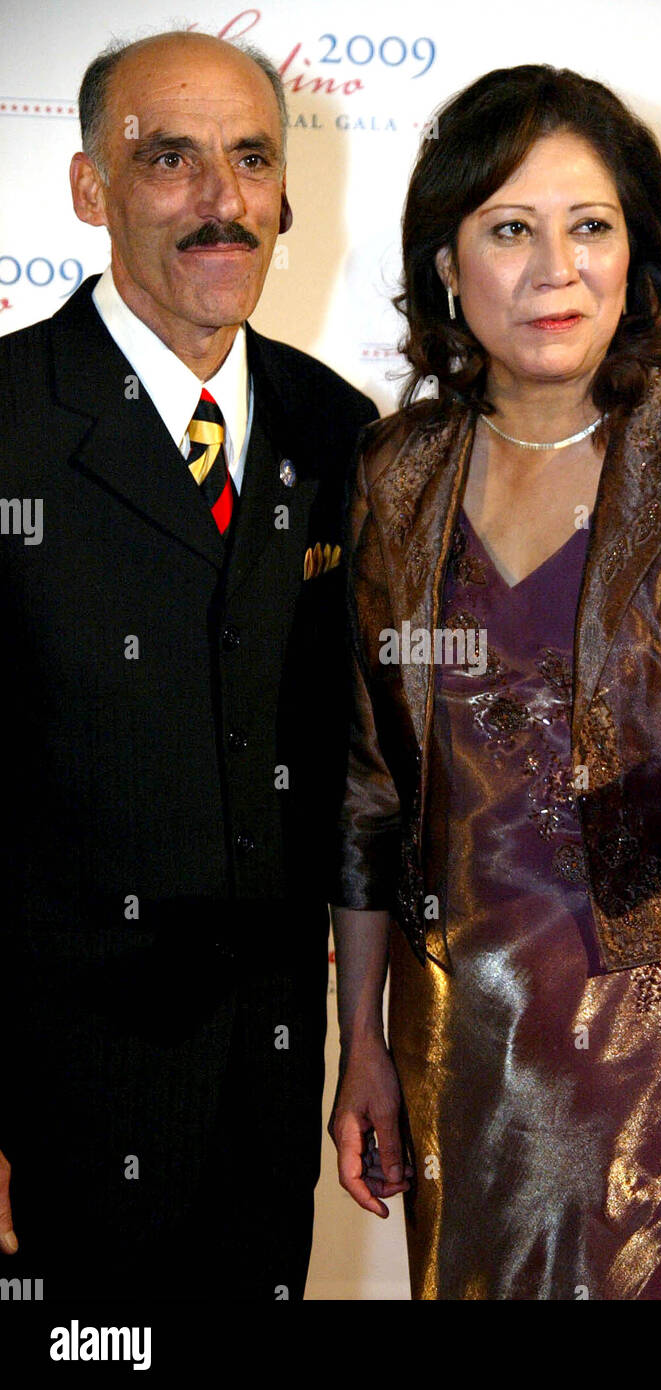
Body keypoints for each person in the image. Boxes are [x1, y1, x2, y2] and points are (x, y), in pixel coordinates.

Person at [328, 65, 661, 1300]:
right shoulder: (392, 476)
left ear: (639, 255)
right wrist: (360, 1043)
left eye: (589, 227)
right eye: (508, 229)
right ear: (447, 264)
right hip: (457, 1024)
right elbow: (365, 797)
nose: (552, 269)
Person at [0, 30, 376, 1301]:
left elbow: (356, 770)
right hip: (49, 1107)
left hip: (264, 1100)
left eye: (249, 159)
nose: (222, 201)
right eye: (171, 158)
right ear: (88, 190)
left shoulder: (340, 431)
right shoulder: (6, 418)